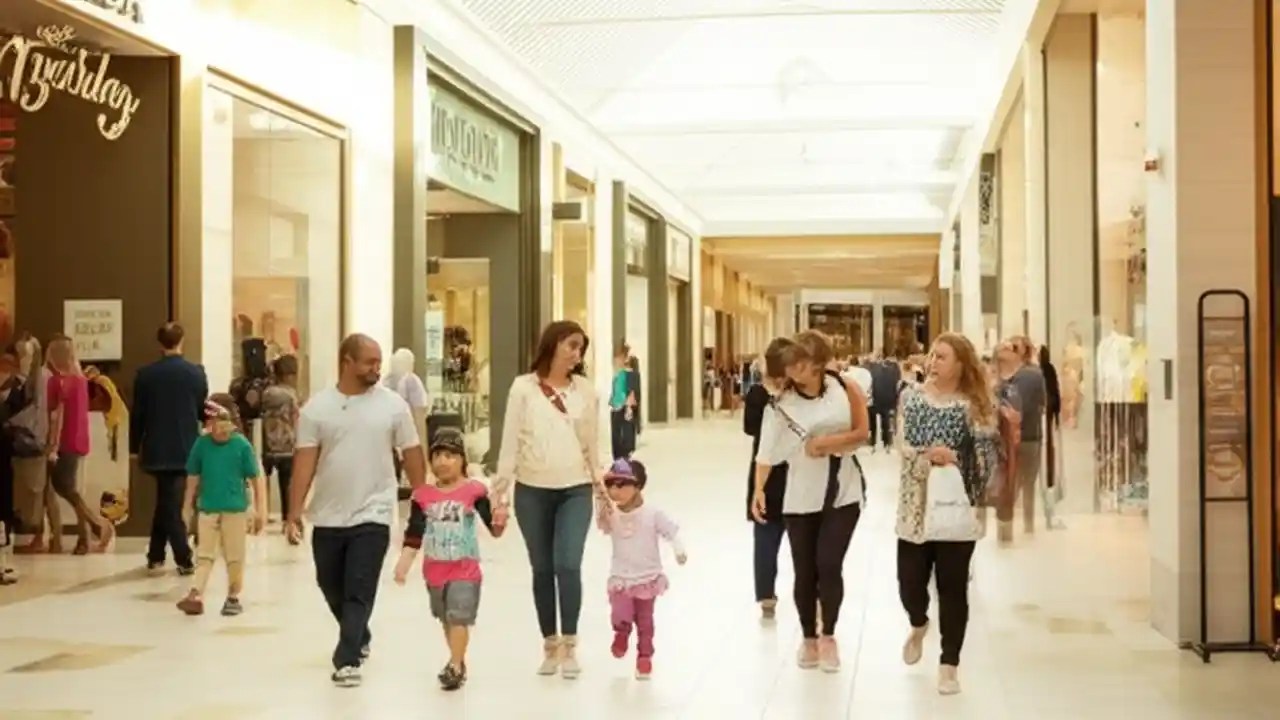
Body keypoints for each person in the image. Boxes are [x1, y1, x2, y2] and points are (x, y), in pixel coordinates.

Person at [286, 333, 427, 688]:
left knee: (359, 587)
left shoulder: (393, 406)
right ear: (346, 361)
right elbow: (304, 463)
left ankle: (346, 659)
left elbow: (411, 452)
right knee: (329, 583)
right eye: (369, 362)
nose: (377, 369)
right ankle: (358, 634)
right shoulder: (317, 408)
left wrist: (423, 499)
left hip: (374, 511)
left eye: (379, 362)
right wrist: (293, 511)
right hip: (329, 514)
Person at [751, 330, 870, 673]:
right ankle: (808, 638)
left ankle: (829, 634)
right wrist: (759, 491)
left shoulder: (845, 388)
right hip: (800, 497)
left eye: (801, 362)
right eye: (791, 362)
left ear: (818, 364)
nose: (794, 369)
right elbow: (766, 453)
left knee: (829, 563)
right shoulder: (780, 405)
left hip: (843, 493)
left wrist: (826, 443)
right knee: (805, 570)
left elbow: (863, 434)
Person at [492, 320, 602, 679]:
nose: (576, 354)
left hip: (575, 488)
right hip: (532, 490)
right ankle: (549, 644)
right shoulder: (523, 388)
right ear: (553, 344)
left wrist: (602, 484)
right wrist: (501, 487)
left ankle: (570, 644)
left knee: (567, 563)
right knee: (542, 567)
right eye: (571, 345)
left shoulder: (586, 391)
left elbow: (593, 444)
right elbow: (509, 439)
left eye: (580, 348)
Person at [896, 332, 999, 695]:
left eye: (942, 357)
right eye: (932, 356)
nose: (933, 363)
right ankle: (919, 621)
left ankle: (949, 663)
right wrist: (927, 455)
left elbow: (987, 457)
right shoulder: (911, 398)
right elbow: (903, 443)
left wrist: (956, 456)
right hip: (915, 505)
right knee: (909, 583)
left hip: (957, 506)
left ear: (960, 364)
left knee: (953, 588)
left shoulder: (975, 406)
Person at [393, 428, 504, 691]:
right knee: (446, 618)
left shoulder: (474, 491)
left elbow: (494, 529)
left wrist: (500, 517)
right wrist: (403, 564)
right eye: (438, 456)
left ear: (462, 460)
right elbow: (414, 534)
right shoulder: (423, 496)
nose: (443, 461)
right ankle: (458, 660)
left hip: (465, 569)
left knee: (459, 617)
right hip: (434, 571)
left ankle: (454, 665)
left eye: (450, 455)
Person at [598, 458, 685, 680]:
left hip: (647, 577)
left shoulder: (652, 513)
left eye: (622, 484)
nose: (615, 490)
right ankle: (621, 632)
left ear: (637, 487)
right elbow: (604, 526)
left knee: (646, 620)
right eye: (611, 485)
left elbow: (670, 531)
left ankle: (644, 657)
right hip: (621, 577)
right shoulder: (612, 513)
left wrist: (678, 549)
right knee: (620, 611)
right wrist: (601, 504)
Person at [177, 402, 267, 617]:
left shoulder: (241, 445)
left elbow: (256, 478)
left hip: (234, 510)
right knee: (205, 554)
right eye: (214, 425)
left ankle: (233, 595)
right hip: (208, 508)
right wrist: (186, 506)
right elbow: (193, 477)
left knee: (234, 555)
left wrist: (260, 509)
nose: (219, 431)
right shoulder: (202, 445)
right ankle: (196, 593)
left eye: (223, 425)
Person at [132, 322, 207, 573]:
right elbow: (200, 410)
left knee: (166, 500)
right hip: (185, 445)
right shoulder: (196, 373)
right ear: (181, 340)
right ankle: (183, 557)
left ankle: (155, 553)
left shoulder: (146, 375)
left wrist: (134, 446)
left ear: (159, 343)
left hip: (156, 445)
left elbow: (138, 414)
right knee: (170, 504)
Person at [44, 336, 114, 554]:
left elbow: (54, 415)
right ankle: (85, 536)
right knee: (70, 488)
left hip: (63, 441)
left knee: (65, 488)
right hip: (80, 439)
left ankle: (95, 525)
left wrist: (51, 445)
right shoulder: (81, 380)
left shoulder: (57, 382)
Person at [742, 337, 793, 619]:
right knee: (800, 536)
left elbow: (749, 429)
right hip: (793, 468)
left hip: (764, 467)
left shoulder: (757, 394)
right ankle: (811, 594)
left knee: (765, 533)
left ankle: (765, 595)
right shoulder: (800, 394)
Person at [10, 339, 50, 555]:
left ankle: (41, 536)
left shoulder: (40, 378)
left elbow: (40, 410)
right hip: (19, 442)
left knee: (38, 493)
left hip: (31, 440)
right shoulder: (19, 378)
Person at [1007, 336, 1049, 534]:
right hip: (1032, 435)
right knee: (1028, 484)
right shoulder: (1035, 375)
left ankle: (1007, 526)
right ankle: (1028, 525)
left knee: (1012, 482)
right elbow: (1042, 403)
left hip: (1015, 436)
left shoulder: (1015, 377)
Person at [260, 354, 300, 541]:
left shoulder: (267, 393)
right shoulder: (291, 395)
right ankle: (287, 519)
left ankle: (263, 513)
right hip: (287, 444)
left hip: (268, 443)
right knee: (287, 484)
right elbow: (295, 419)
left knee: (263, 480)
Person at [1039, 344, 1065, 529]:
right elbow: (1055, 394)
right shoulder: (1047, 371)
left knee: (1047, 466)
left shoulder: (1042, 372)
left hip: (1043, 423)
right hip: (1045, 423)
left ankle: (1048, 508)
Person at [608, 343, 637, 460]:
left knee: (623, 435)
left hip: (623, 406)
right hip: (616, 406)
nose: (616, 361)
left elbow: (631, 391)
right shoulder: (618, 374)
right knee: (616, 436)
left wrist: (629, 407)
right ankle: (619, 457)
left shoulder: (628, 374)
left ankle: (624, 456)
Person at [869, 353, 902, 451]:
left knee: (874, 421)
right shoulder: (892, 371)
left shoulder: (874, 369)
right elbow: (895, 384)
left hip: (877, 397)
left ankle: (874, 441)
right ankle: (886, 442)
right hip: (886, 398)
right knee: (885, 421)